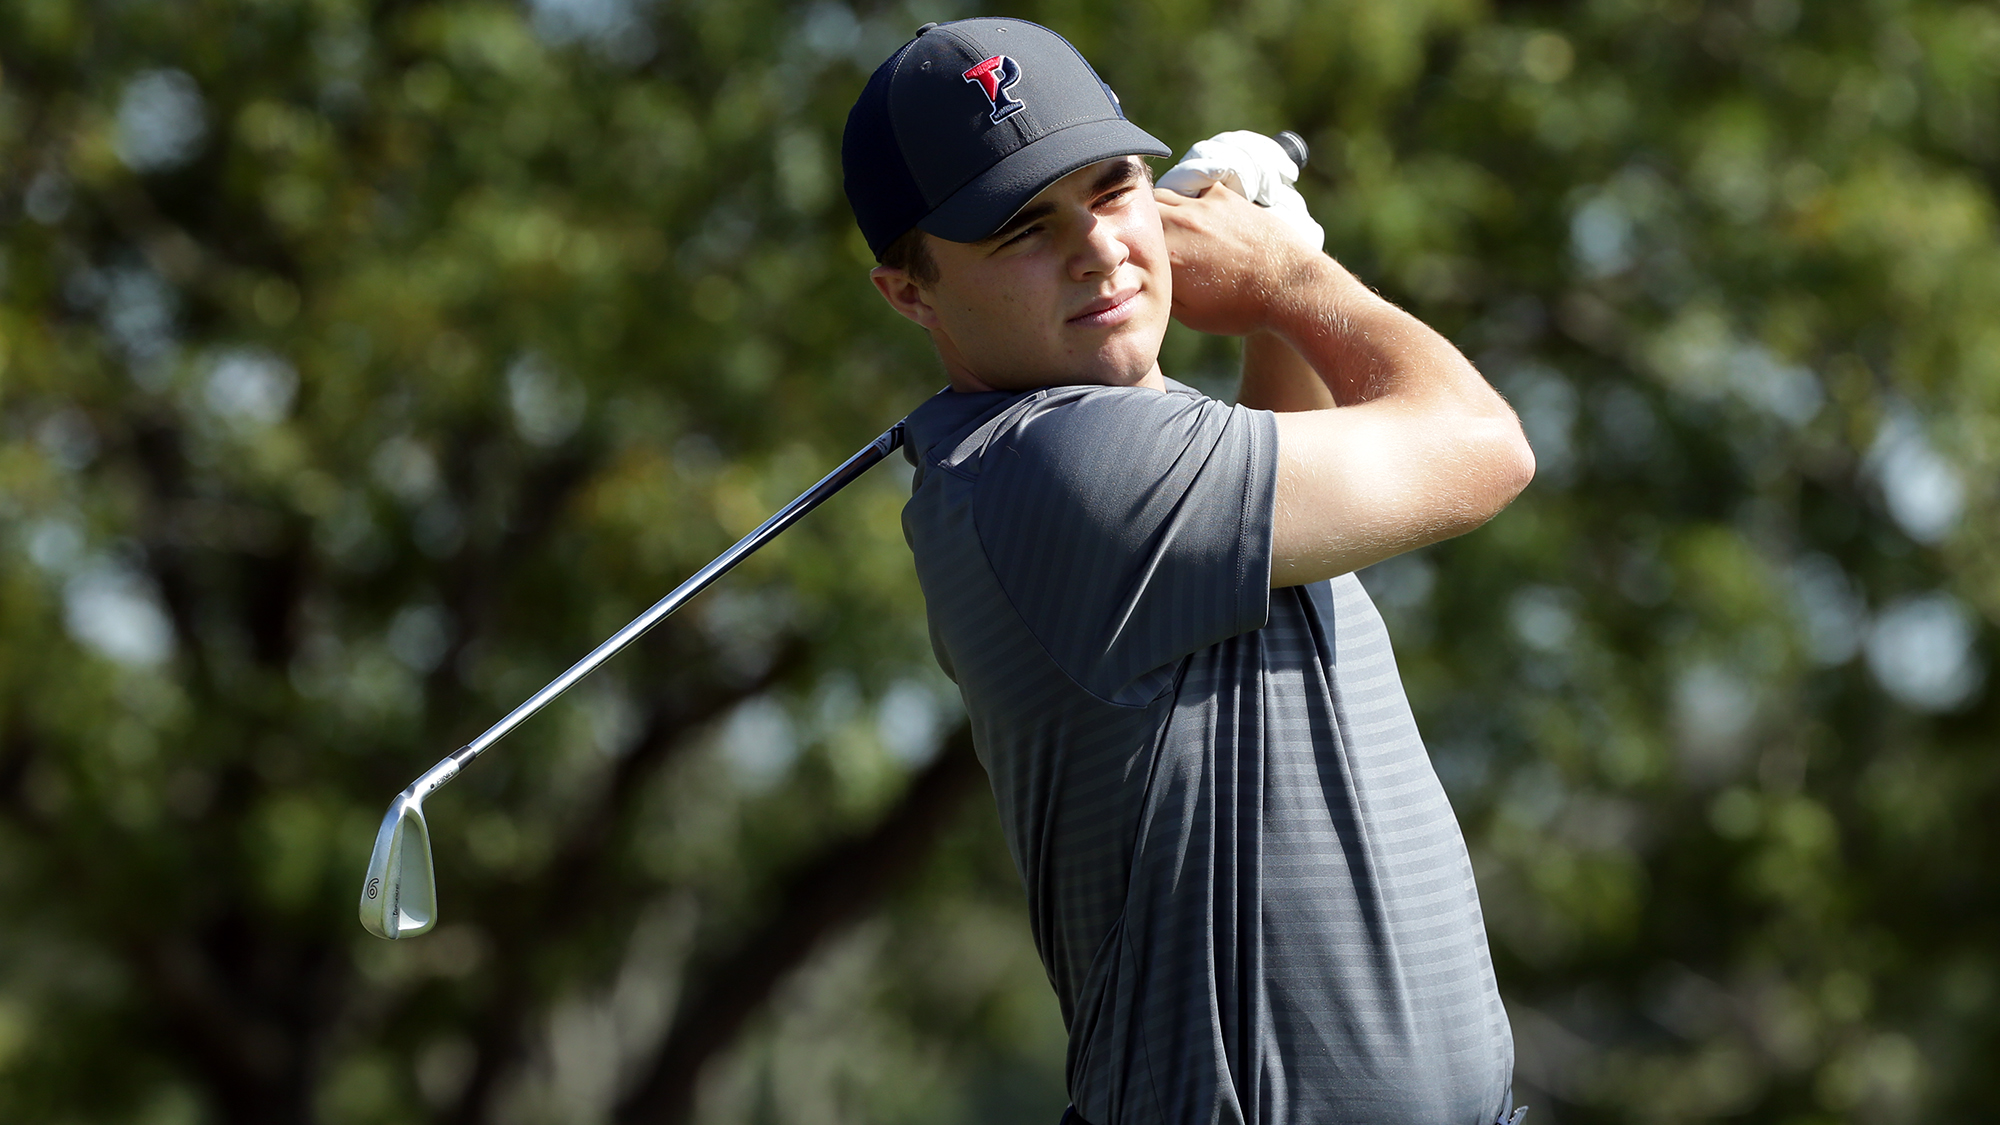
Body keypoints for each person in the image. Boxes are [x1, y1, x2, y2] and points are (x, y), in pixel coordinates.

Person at [842, 17, 1536, 1125]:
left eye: (1111, 188)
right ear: (910, 292)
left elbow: (1270, 553)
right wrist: (1288, 280)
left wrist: (1276, 313)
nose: (1097, 249)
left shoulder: (1125, 464)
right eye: (1021, 228)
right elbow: (1487, 450)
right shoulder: (1053, 466)